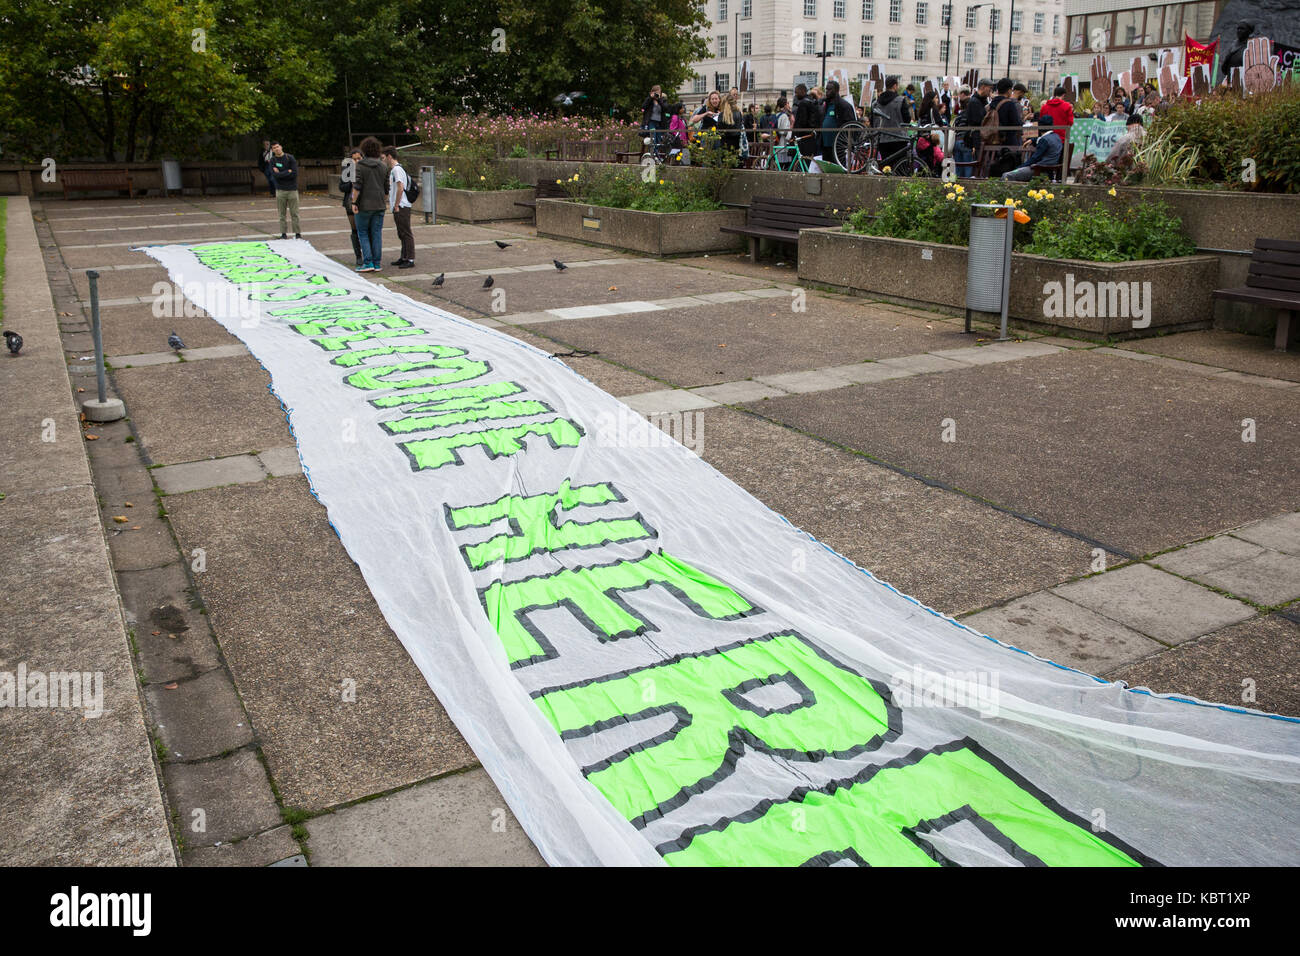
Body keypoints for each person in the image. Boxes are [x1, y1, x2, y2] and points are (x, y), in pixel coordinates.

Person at [350, 137, 387, 272]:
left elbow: (357, 186)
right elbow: (386, 188)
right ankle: (377, 263)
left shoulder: (360, 166)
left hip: (364, 205)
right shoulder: (383, 166)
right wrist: (384, 201)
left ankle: (368, 262)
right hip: (379, 205)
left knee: (363, 233)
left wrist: (354, 202)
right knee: (377, 233)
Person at [381, 146, 414, 269]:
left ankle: (410, 258)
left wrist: (396, 205)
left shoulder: (396, 170)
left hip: (401, 206)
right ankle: (404, 256)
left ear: (389, 156)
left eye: (384, 157)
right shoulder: (396, 169)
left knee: (406, 232)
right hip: (400, 205)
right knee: (401, 233)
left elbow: (400, 187)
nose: (383, 160)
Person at [1002, 115, 1063, 180]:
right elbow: (1042, 140)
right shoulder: (1057, 137)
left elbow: (1034, 158)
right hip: (1049, 171)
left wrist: (1019, 167)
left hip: (1039, 170)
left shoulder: (1044, 140)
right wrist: (1032, 140)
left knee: (1006, 175)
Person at [871, 75, 912, 164]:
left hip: (882, 138)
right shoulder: (901, 100)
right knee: (900, 167)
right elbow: (907, 119)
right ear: (894, 86)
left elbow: (873, 121)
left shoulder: (875, 103)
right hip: (899, 138)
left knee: (887, 167)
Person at [268, 141, 300, 239]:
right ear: (272, 150)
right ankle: (283, 233)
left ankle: (297, 233)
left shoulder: (290, 158)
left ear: (281, 147)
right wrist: (287, 172)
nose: (276, 149)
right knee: (281, 214)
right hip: (280, 190)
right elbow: (274, 175)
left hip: (292, 190)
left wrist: (282, 173)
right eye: (274, 148)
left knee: (294, 213)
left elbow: (294, 173)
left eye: (277, 147)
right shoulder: (273, 160)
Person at [818, 80, 856, 161]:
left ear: (836, 90)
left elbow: (851, 124)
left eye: (829, 89)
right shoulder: (825, 105)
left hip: (838, 145)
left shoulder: (844, 105)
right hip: (825, 144)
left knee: (838, 169)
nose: (827, 92)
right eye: (826, 89)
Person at [342, 146, 363, 267]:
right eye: (354, 159)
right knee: (354, 230)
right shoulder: (347, 170)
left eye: (359, 158)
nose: (357, 161)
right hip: (350, 202)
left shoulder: (366, 168)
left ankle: (368, 255)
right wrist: (351, 184)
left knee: (364, 230)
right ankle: (358, 256)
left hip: (364, 202)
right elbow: (341, 187)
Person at [792, 83, 820, 158]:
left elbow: (802, 122)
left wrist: (795, 133)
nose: (796, 95)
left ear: (802, 91)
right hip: (811, 135)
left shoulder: (803, 103)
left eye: (796, 92)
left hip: (802, 136)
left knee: (801, 158)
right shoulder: (812, 102)